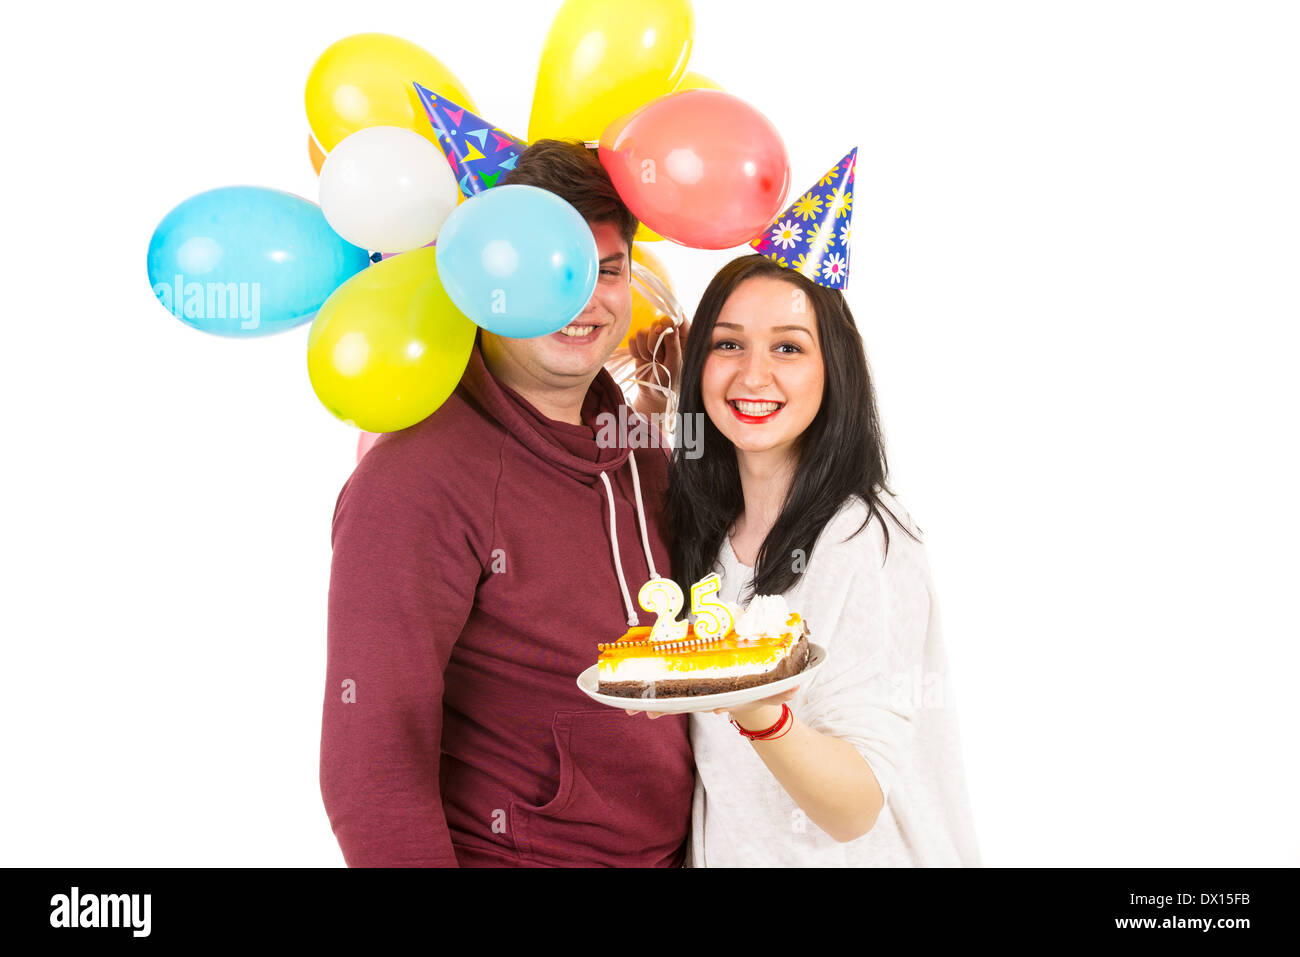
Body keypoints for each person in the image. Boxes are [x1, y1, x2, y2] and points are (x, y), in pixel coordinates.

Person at [319, 140, 691, 867]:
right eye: (543, 269)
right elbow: (371, 774)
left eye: (605, 270)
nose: (582, 298)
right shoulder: (414, 481)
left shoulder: (643, 455)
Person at [631, 253, 980, 866]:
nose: (754, 376)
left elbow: (854, 807)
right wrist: (669, 401)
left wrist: (757, 706)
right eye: (728, 345)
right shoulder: (710, 530)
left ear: (834, 369)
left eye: (788, 348)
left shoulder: (863, 539)